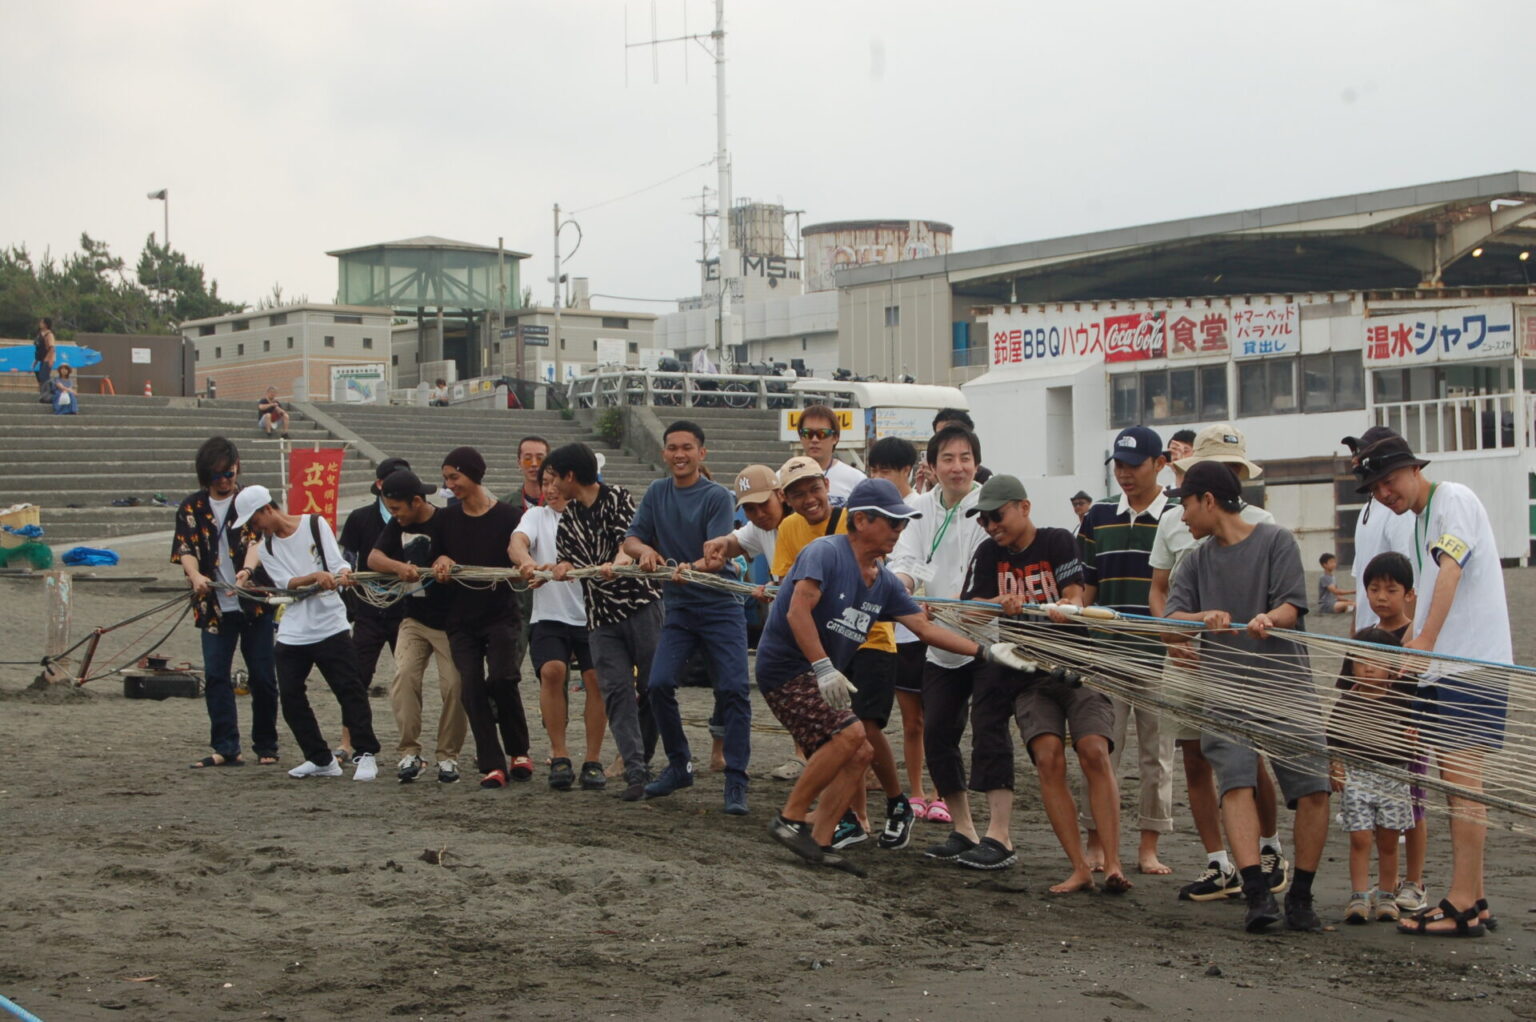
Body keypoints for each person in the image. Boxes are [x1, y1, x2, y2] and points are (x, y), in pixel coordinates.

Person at [756, 478, 1037, 871]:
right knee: (852, 734)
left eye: (902, 523)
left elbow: (924, 629)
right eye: (892, 522)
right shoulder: (824, 553)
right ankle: (790, 818)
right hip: (785, 668)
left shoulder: (883, 580)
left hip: (818, 670)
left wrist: (986, 651)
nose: (899, 531)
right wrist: (823, 668)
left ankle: (818, 840)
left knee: (862, 750)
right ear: (861, 521)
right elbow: (796, 612)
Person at [1163, 460, 1330, 933]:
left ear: (1209, 501)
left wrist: (1268, 620)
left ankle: (1301, 897)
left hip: (1286, 687)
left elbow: (1292, 605)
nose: (1183, 517)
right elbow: (1169, 624)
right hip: (1225, 689)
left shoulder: (1276, 540)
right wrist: (1201, 619)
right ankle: (1257, 895)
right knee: (1235, 784)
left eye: (1186, 505)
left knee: (1313, 789)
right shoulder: (1194, 559)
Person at [1354, 434, 1510, 937]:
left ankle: (1462, 901)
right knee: (1453, 782)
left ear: (1414, 470)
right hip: (1445, 667)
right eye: (1375, 486)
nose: (1384, 493)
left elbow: (1450, 570)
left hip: (1470, 665)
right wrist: (1412, 649)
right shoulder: (1423, 518)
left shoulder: (1452, 500)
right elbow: (1427, 584)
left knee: (1463, 783)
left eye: (1390, 480)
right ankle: (1476, 895)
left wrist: (1423, 640)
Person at [960, 474, 1132, 891]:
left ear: (1023, 507)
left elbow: (1076, 592)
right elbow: (967, 611)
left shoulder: (1057, 540)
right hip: (1028, 677)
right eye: (983, 520)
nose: (991, 526)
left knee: (1094, 751)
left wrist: (1067, 607)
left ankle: (1112, 863)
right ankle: (1077, 867)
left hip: (1078, 668)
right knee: (1048, 758)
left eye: (997, 516)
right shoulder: (988, 555)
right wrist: (998, 604)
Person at [1148, 424, 1288, 902]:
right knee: (1194, 756)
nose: (1231, 477)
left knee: (1250, 757)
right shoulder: (1175, 518)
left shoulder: (1264, 524)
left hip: (1239, 662)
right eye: (1222, 467)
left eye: (1236, 469)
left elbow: (1275, 599)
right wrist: (1173, 638)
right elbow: (1160, 588)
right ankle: (1218, 861)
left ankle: (1267, 849)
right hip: (1186, 655)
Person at [772, 455, 912, 849]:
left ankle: (892, 802)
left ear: (828, 487)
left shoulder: (859, 522)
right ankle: (851, 819)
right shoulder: (792, 530)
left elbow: (895, 570)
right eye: (797, 493)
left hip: (870, 640)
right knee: (849, 738)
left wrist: (902, 590)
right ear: (787, 498)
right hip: (829, 646)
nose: (808, 498)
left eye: (813, 488)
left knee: (861, 730)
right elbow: (787, 585)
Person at [624, 421, 752, 815]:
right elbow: (630, 539)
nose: (679, 454)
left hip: (720, 604)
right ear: (664, 453)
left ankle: (736, 780)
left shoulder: (717, 496)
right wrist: (643, 551)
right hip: (679, 607)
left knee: (733, 689)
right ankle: (679, 764)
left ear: (702, 453)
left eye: (687, 448)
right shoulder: (657, 492)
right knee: (658, 684)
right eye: (672, 448)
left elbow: (717, 556)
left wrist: (685, 567)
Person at [1077, 425, 1176, 876]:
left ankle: (1148, 845)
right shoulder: (1098, 516)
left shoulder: (1178, 514)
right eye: (1118, 465)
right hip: (1107, 653)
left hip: (1162, 654)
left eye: (1134, 466)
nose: (1125, 474)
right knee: (1102, 749)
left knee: (1158, 756)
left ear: (1160, 464)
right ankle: (1097, 840)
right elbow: (1087, 586)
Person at [891, 426, 991, 862]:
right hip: (937, 642)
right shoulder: (917, 508)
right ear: (931, 466)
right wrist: (901, 589)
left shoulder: (989, 505)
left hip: (986, 639)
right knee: (937, 734)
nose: (958, 467)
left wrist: (958, 609)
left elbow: (985, 568)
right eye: (948, 458)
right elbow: (906, 561)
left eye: (965, 457)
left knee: (990, 736)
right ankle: (964, 828)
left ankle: (999, 833)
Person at [233, 485, 380, 781]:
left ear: (267, 509)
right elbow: (287, 583)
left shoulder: (314, 524)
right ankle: (320, 758)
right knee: (290, 695)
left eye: (255, 520)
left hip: (330, 623)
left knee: (349, 690)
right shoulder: (266, 547)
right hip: (294, 629)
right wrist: (314, 577)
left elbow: (337, 563)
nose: (255, 527)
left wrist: (341, 575)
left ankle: (365, 754)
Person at [548, 442, 662, 802]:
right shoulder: (568, 518)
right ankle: (635, 768)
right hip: (599, 616)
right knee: (615, 691)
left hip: (640, 605)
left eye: (554, 478)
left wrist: (617, 563)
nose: (551, 486)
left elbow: (629, 542)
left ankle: (662, 757)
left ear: (570, 475)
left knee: (653, 685)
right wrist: (561, 568)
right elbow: (565, 558)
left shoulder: (616, 498)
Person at [172, 437, 279, 769]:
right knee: (217, 676)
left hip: (254, 602)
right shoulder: (191, 507)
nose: (223, 481)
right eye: (215, 476)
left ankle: (266, 743)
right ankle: (226, 746)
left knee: (262, 676)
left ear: (238, 467)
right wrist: (195, 577)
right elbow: (185, 549)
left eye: (228, 474)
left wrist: (246, 573)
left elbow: (255, 541)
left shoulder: (249, 501)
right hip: (214, 606)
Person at [430, 446, 532, 789]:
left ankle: (519, 749)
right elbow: (434, 556)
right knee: (470, 688)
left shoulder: (508, 517)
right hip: (460, 620)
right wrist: (441, 559)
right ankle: (493, 763)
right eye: (446, 479)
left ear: (473, 474)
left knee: (503, 678)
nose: (450, 484)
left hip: (501, 614)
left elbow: (523, 562)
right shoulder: (445, 519)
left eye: (454, 477)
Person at [367, 467, 468, 784]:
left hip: (450, 622)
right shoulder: (396, 526)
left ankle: (448, 756)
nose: (394, 515)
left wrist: (448, 560)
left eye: (396, 509)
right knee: (404, 677)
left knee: (454, 686)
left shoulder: (447, 521)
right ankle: (409, 751)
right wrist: (398, 567)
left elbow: (463, 556)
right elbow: (373, 558)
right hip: (413, 619)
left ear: (415, 501)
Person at [511, 461, 606, 792]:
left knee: (596, 679)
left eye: (555, 482)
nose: (549, 489)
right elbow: (518, 543)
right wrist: (528, 563)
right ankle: (560, 754)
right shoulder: (536, 516)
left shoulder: (593, 515)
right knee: (551, 671)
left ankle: (593, 759)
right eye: (544, 483)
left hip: (592, 614)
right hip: (549, 614)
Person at [1327, 626, 1419, 924]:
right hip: (1357, 778)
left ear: (1392, 667)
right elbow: (1334, 740)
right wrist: (1336, 767)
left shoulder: (1402, 703)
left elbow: (1412, 746)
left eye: (1378, 661)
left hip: (1393, 778)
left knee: (1389, 842)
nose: (1369, 667)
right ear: (1351, 664)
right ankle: (1359, 895)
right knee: (1360, 838)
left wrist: (1413, 738)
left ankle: (1386, 895)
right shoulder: (1347, 702)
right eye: (1362, 660)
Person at [1355, 550, 1428, 911]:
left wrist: (1416, 728)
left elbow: (1421, 689)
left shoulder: (1418, 636)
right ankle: (1385, 883)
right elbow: (1347, 689)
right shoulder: (1363, 636)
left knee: (1412, 811)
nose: (1381, 597)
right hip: (1369, 743)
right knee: (1370, 815)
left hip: (1407, 741)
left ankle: (1414, 881)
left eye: (1391, 589)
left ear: (1410, 594)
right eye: (1374, 588)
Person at [864, 438, 932, 818]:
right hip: (890, 631)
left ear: (906, 470)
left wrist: (904, 584)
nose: (879, 476)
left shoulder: (921, 509)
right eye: (874, 469)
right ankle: (913, 789)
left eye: (886, 470)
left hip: (919, 620)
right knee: (904, 717)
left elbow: (923, 561)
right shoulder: (870, 510)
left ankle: (931, 789)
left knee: (928, 718)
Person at [1344, 426, 1416, 632]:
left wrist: (1402, 641)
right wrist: (1354, 641)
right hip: (1368, 635)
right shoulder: (1367, 509)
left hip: (1392, 638)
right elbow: (1362, 585)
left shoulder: (1399, 511)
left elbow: (1411, 584)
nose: (1356, 461)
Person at [503, 436, 551, 697]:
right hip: (516, 601)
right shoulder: (504, 506)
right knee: (506, 670)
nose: (534, 465)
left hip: (552, 599)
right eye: (527, 458)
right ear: (518, 462)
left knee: (554, 674)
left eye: (540, 458)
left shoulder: (561, 506)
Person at [794, 404, 864, 503]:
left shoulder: (856, 480)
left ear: (835, 438)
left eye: (822, 434)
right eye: (807, 433)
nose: (814, 439)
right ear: (801, 437)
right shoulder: (785, 477)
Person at [914, 409, 993, 491]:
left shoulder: (983, 475)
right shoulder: (931, 470)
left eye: (965, 459)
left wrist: (938, 483)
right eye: (938, 435)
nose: (957, 468)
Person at [34, 317, 55, 402]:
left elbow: (52, 348)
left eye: (42, 323)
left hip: (47, 359)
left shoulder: (49, 334)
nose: (40, 324)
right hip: (41, 359)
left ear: (46, 324)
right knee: (39, 377)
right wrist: (35, 361)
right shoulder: (39, 334)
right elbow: (38, 350)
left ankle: (49, 395)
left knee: (44, 377)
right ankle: (43, 394)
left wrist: (48, 359)